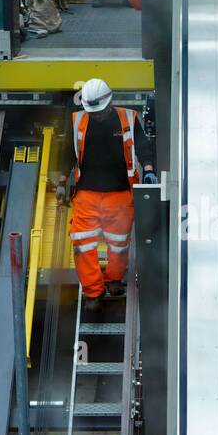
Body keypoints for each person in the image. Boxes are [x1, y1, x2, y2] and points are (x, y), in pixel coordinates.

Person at [61, 78, 158, 311]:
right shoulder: (77, 120)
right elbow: (67, 152)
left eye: (101, 112)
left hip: (120, 195)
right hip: (86, 194)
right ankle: (94, 292)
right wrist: (63, 183)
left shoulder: (128, 118)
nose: (97, 116)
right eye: (92, 112)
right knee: (82, 245)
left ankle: (114, 279)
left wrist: (148, 170)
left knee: (119, 245)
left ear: (110, 102)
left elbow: (144, 147)